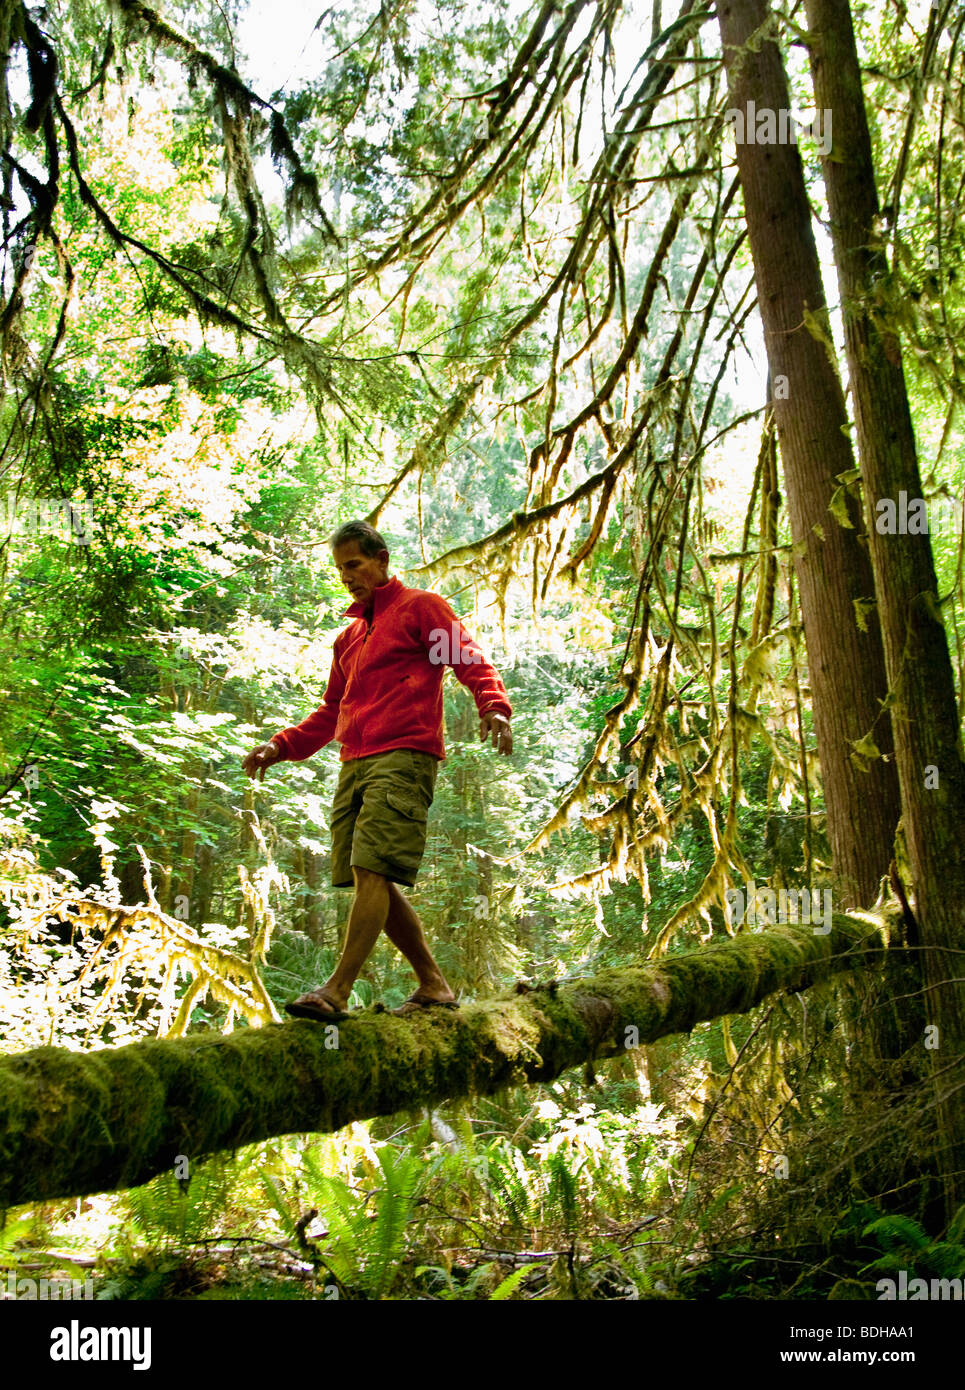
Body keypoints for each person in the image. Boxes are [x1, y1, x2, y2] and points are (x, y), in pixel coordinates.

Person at [242, 520, 513, 1021]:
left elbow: (468, 660)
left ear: (381, 560)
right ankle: (434, 985)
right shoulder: (349, 637)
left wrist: (492, 706)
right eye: (340, 568)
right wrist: (278, 746)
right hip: (354, 763)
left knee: (373, 867)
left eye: (355, 564)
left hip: (405, 754)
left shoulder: (419, 608)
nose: (347, 576)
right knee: (373, 877)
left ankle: (337, 991)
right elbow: (330, 712)